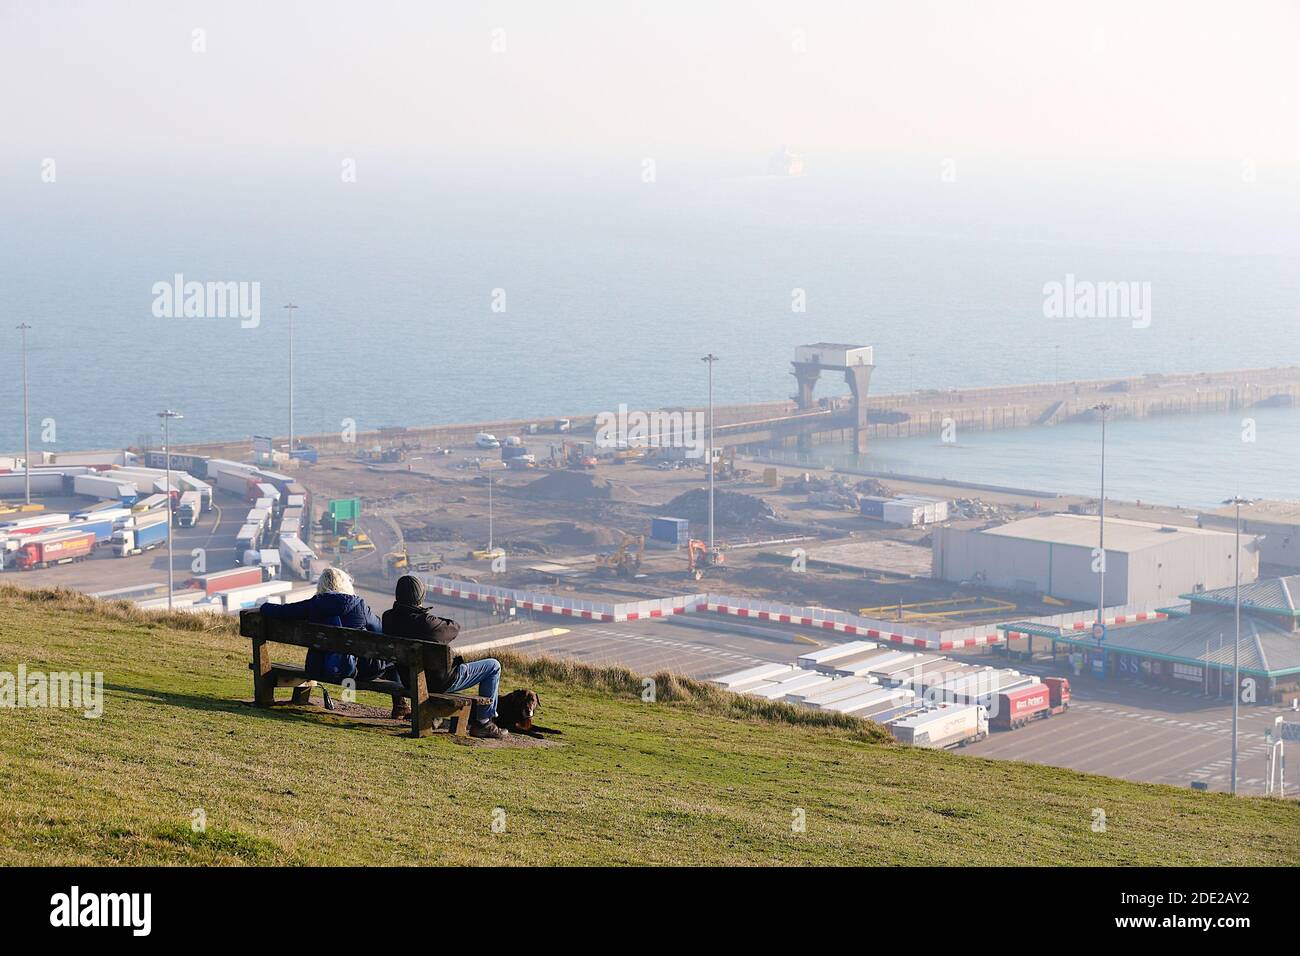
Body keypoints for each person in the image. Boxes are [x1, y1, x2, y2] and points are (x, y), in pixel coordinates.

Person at [259, 566, 408, 718]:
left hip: (319, 668)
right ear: (346, 584)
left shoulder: (314, 605)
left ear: (322, 585)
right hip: (358, 672)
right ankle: (400, 706)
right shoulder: (359, 606)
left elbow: (283, 611)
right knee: (392, 661)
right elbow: (380, 630)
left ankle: (347, 696)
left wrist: (264, 606)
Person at [381, 574, 508, 739]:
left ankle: (436, 716)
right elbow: (454, 628)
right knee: (493, 665)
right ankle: (484, 722)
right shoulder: (427, 624)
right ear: (420, 597)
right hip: (441, 682)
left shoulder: (388, 618)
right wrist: (427, 614)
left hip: (409, 680)